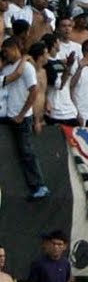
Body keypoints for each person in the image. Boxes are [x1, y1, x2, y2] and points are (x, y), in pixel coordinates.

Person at [0, 38, 48, 200]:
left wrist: (22, 114)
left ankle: (39, 185)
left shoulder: (27, 67)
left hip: (21, 117)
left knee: (26, 151)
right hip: (7, 115)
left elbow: (34, 92)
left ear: (13, 48)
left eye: (6, 50)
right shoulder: (8, 68)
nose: (4, 54)